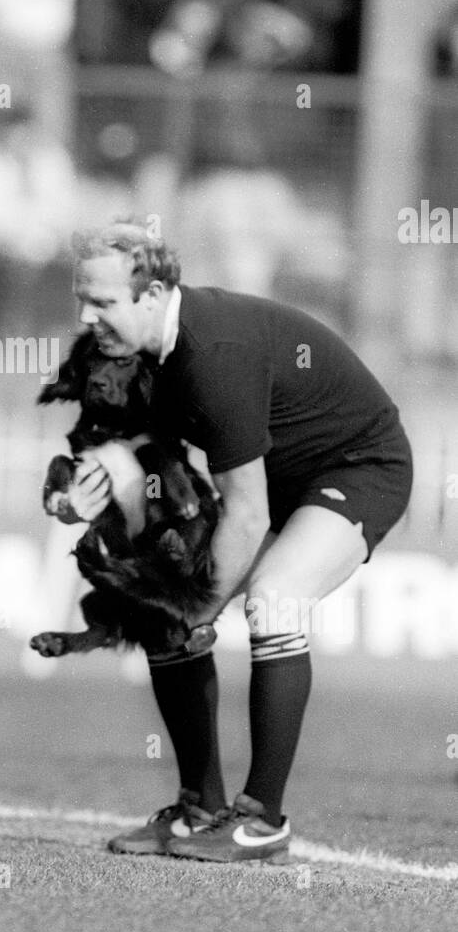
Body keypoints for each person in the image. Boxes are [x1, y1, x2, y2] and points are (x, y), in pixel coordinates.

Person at [66, 221, 412, 862]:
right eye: (82, 300)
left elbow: (247, 517)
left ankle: (262, 820)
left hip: (358, 468)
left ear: (152, 293)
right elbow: (139, 453)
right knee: (164, 608)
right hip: (280, 482)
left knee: (274, 597)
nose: (88, 317)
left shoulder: (212, 356)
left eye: (103, 303)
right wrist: (73, 495)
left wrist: (196, 609)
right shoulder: (145, 350)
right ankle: (198, 807)